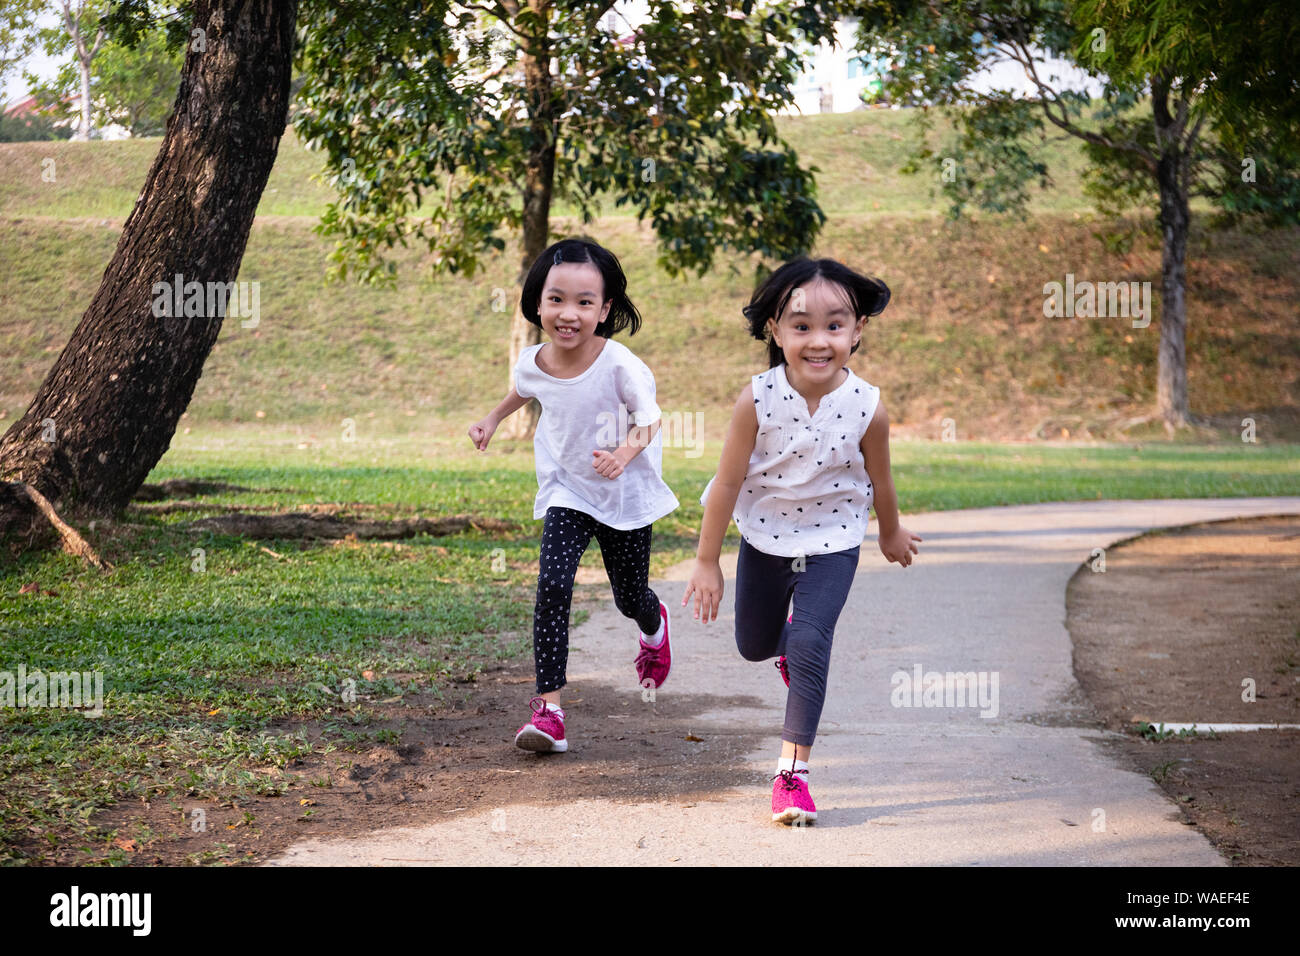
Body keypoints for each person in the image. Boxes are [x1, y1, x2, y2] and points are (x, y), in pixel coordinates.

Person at [682, 257, 921, 824]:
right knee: (753, 644)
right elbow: (728, 483)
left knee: (812, 642)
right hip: (765, 538)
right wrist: (706, 560)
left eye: (835, 325)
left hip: (834, 541)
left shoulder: (867, 406)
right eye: (802, 325)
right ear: (775, 329)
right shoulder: (756, 400)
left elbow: (881, 479)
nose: (819, 340)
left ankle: (792, 776)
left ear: (858, 330)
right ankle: (786, 648)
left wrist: (888, 532)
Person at [469, 237, 679, 754]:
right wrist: (492, 419)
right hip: (568, 489)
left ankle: (653, 625)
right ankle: (550, 711)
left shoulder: (620, 365)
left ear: (605, 309)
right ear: (537, 303)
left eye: (585, 302)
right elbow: (525, 388)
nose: (568, 313)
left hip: (624, 495)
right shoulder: (533, 360)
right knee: (553, 585)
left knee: (628, 596)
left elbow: (650, 421)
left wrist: (623, 455)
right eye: (556, 299)